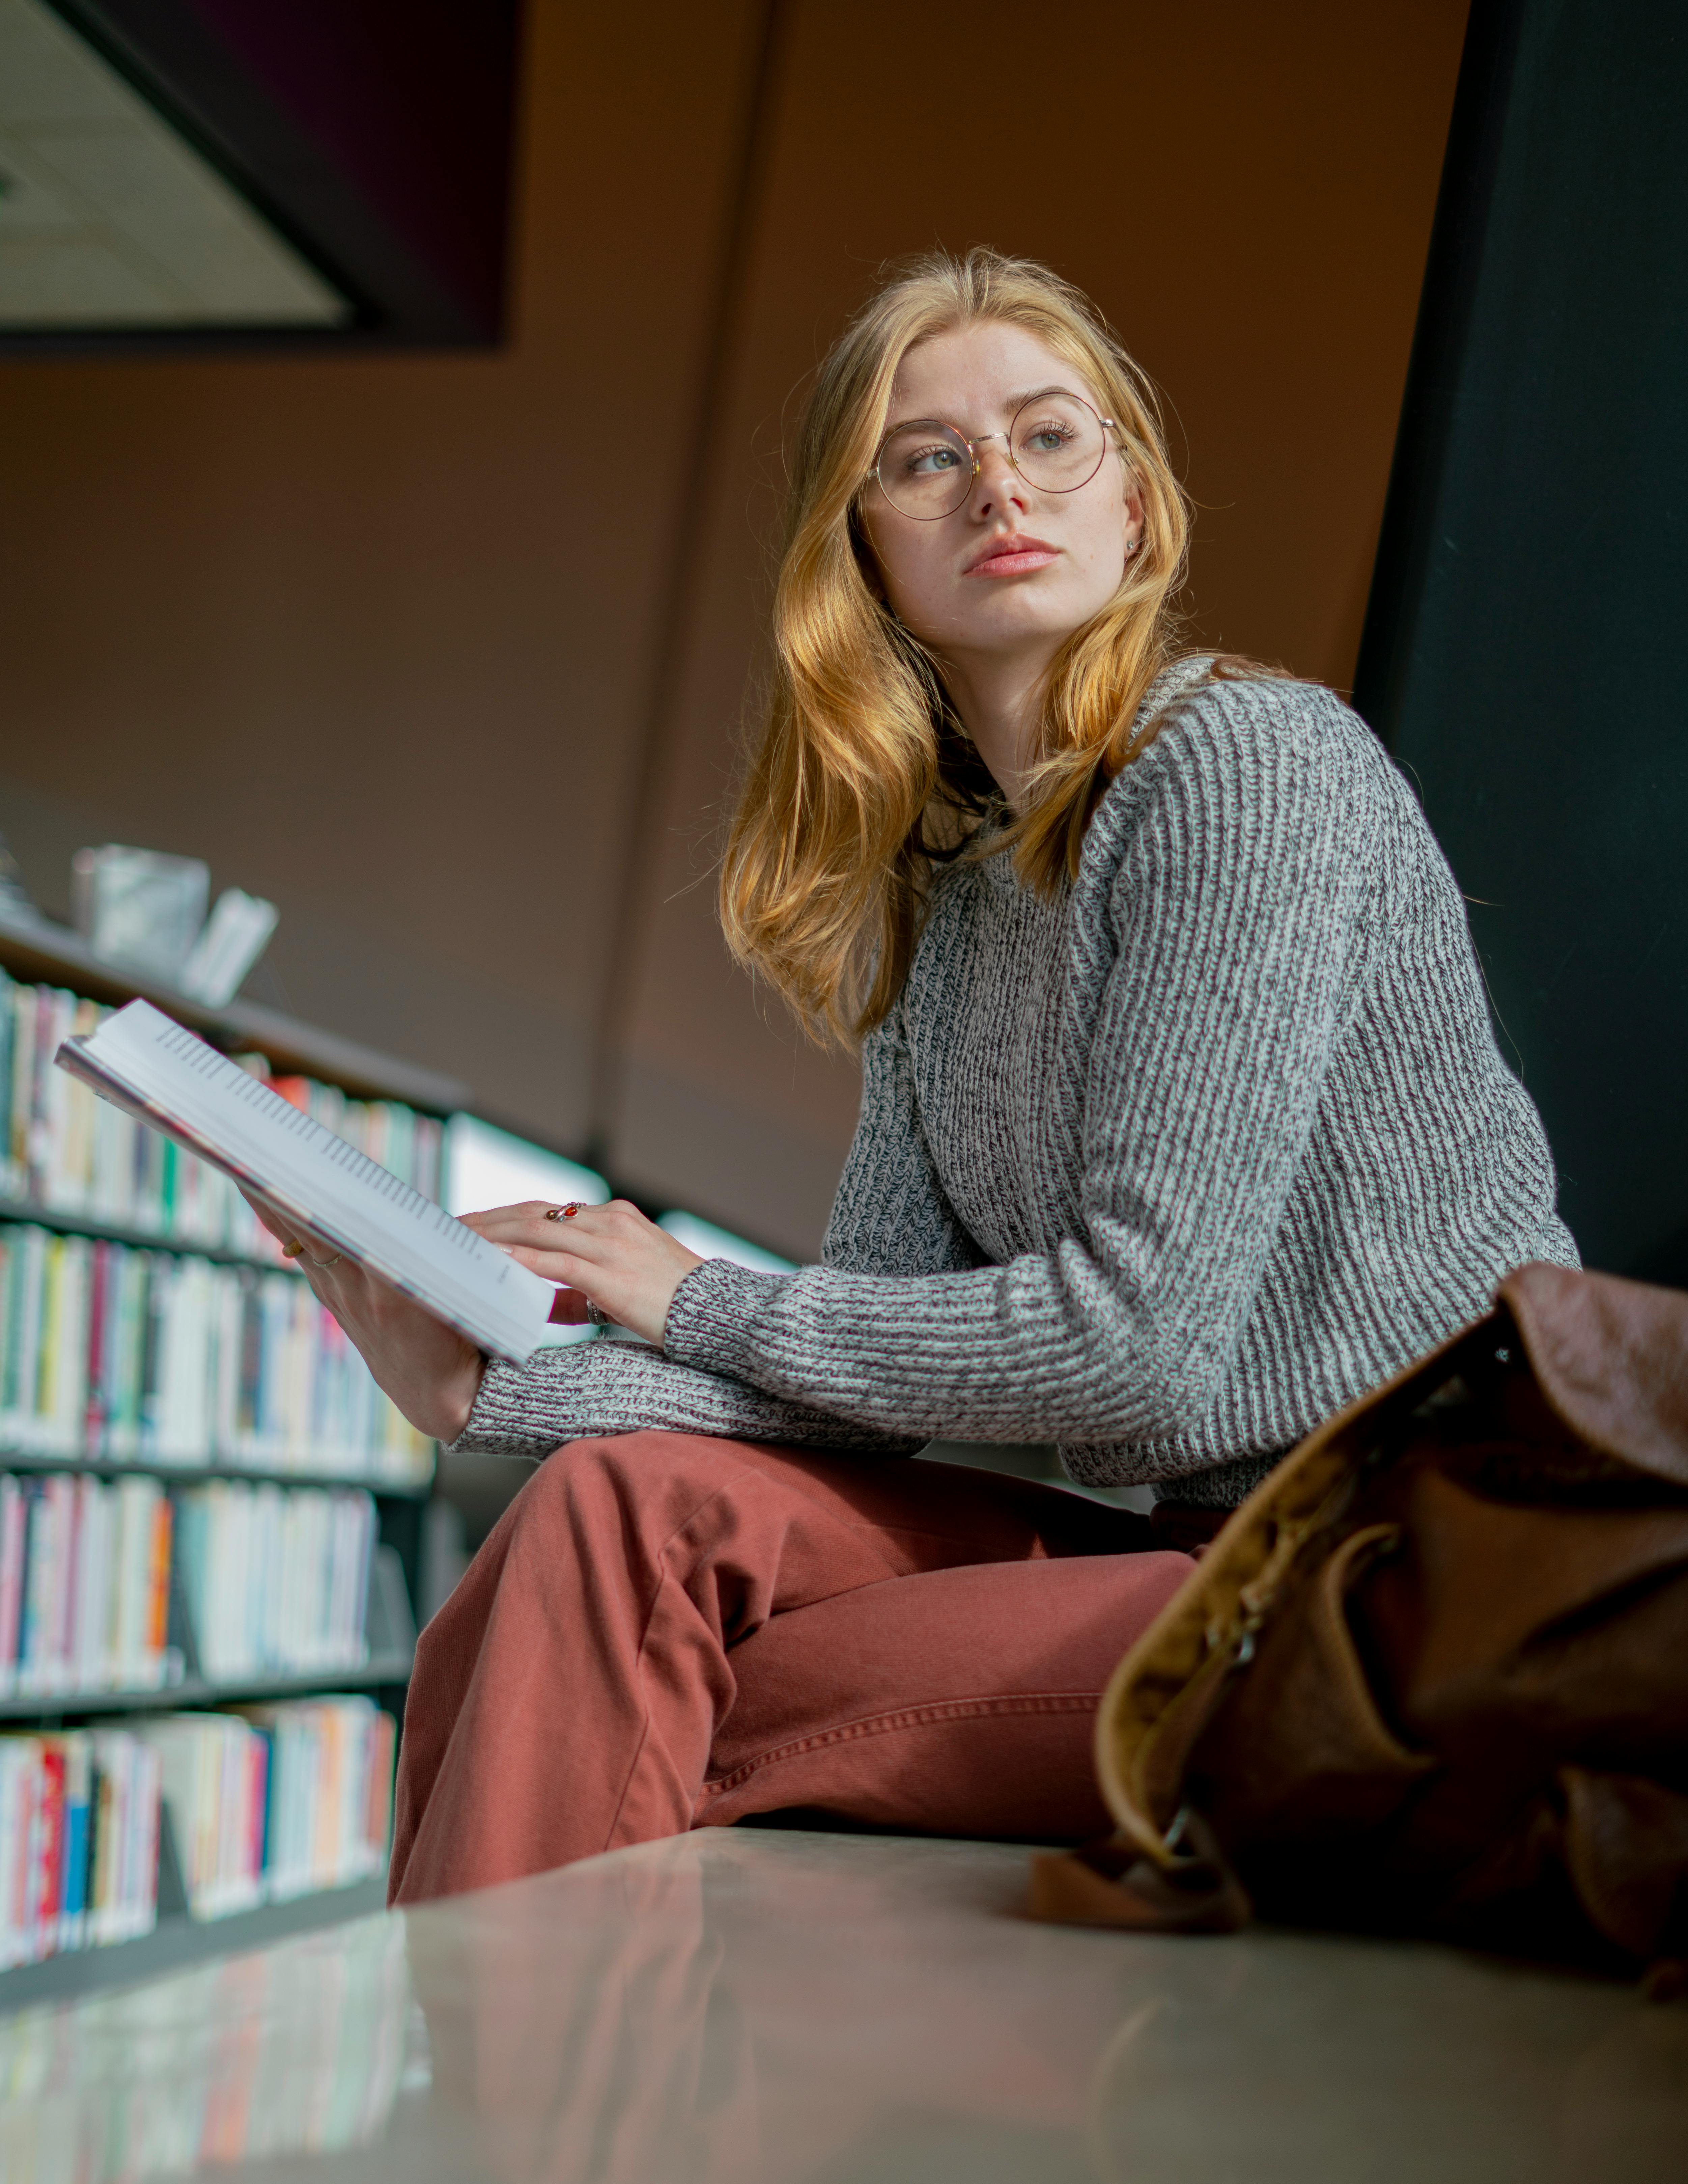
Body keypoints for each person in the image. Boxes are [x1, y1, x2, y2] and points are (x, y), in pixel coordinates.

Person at [262, 249, 1577, 1903]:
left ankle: (502, 2145)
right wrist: (499, 1391)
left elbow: (1137, 1357)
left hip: (1408, 1570)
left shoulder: (1246, 767)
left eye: (1049, 438)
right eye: (928, 458)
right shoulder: (950, 906)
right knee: (616, 1512)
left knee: (622, 1691)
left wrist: (696, 1297)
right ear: (864, 547)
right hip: (1211, 1546)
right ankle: (523, 2124)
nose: (997, 489)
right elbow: (853, 1393)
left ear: (1139, 510)